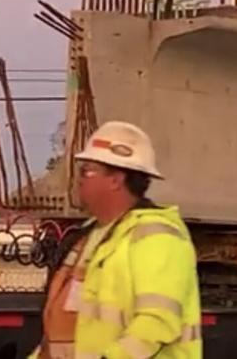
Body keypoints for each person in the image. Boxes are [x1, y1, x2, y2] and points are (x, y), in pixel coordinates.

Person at [30, 121, 202, 359]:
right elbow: (63, 328)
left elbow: (157, 325)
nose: (79, 179)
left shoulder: (157, 237)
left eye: (87, 171)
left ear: (116, 180)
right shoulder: (89, 236)